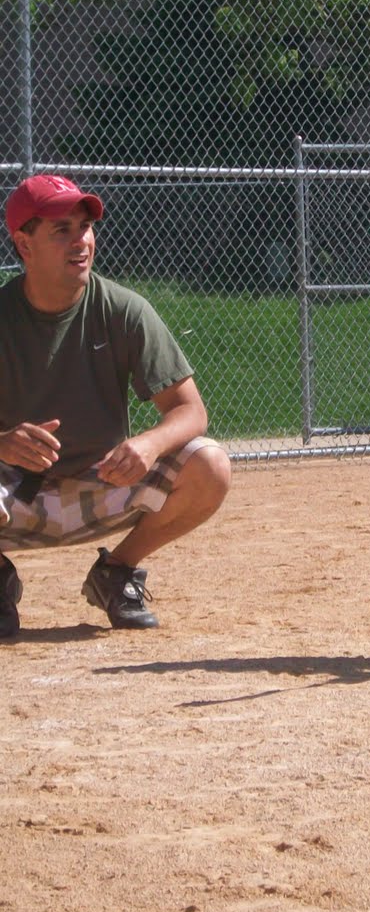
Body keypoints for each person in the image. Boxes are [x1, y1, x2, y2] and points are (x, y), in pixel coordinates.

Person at [0, 174, 232, 637]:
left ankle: (116, 571)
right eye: (61, 230)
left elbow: (190, 411)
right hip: (16, 493)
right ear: (24, 245)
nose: (81, 241)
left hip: (103, 483)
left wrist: (149, 444)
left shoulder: (123, 309)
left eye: (85, 227)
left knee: (211, 465)